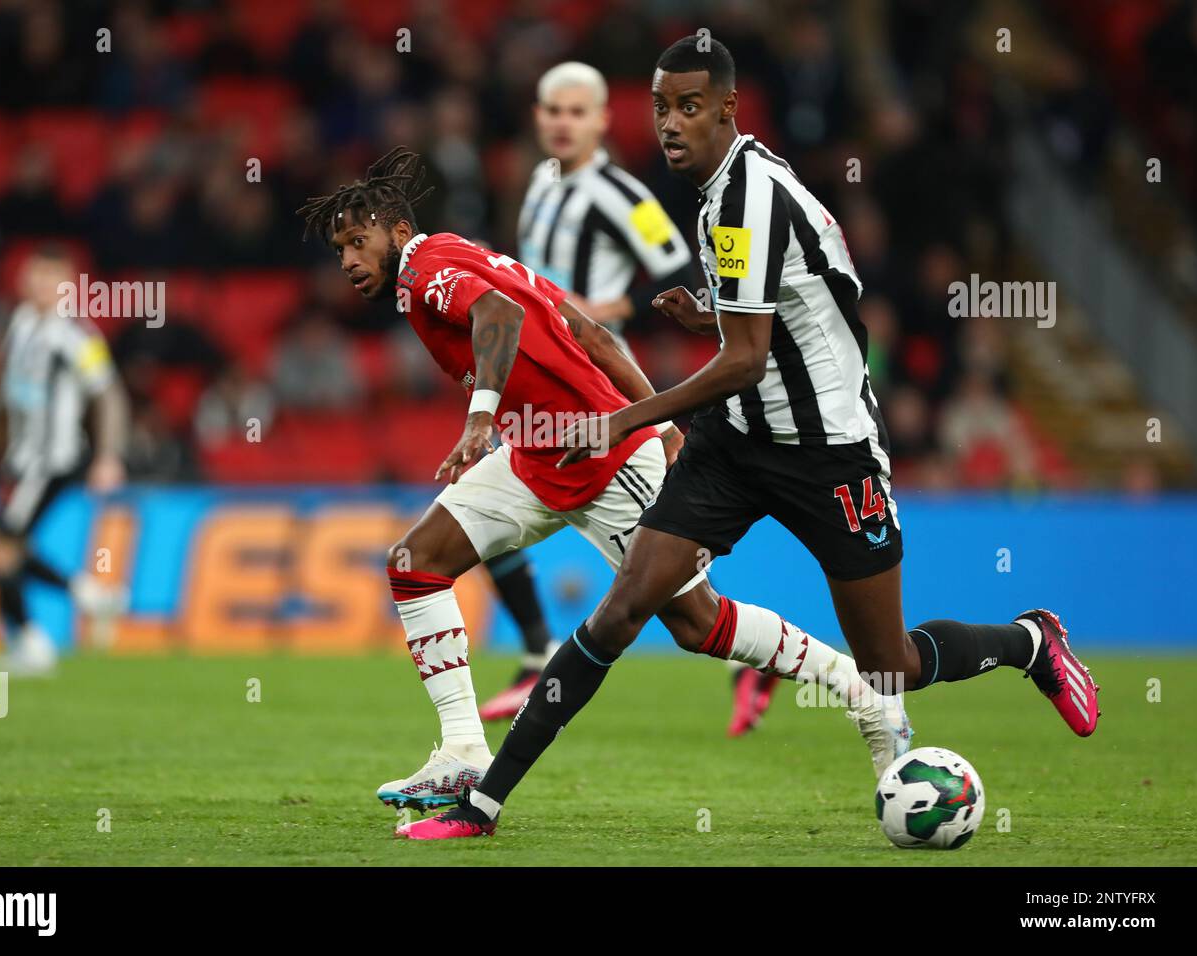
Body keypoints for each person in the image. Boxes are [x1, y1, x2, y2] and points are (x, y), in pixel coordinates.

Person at [396, 36, 1097, 841]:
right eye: (661, 107)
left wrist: (626, 419)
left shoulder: (746, 195)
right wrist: (712, 314)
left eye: (690, 107)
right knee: (623, 609)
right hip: (734, 441)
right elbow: (803, 298)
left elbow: (746, 358)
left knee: (889, 663)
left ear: (728, 109)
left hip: (829, 448)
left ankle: (1030, 640)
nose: (671, 123)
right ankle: (481, 807)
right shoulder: (721, 187)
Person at [296, 147, 909, 811]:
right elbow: (591, 334)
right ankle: (462, 752)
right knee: (415, 563)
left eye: (357, 242)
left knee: (698, 624)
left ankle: (863, 695)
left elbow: (497, 320)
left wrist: (486, 419)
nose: (350, 262)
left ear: (397, 231)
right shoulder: (465, 254)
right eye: (339, 252)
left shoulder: (427, 270)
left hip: (605, 457)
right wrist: (665, 427)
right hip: (535, 456)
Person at [515, 60, 776, 733]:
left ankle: (753, 651)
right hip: (546, 387)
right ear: (538, 118)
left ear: (603, 120)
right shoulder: (541, 185)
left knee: (654, 568)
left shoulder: (619, 194)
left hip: (606, 392)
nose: (563, 123)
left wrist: (608, 304)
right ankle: (537, 651)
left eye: (578, 111)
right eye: (552, 110)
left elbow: (677, 271)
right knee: (501, 509)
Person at [0, 245, 129, 674]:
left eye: (51, 278)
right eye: (35, 276)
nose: (40, 286)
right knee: (8, 547)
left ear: (68, 285)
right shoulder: (22, 320)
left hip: (51, 460)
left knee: (0, 548)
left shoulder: (77, 335)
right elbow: (14, 384)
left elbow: (109, 394)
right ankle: (93, 597)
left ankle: (32, 642)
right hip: (20, 456)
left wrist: (108, 456)